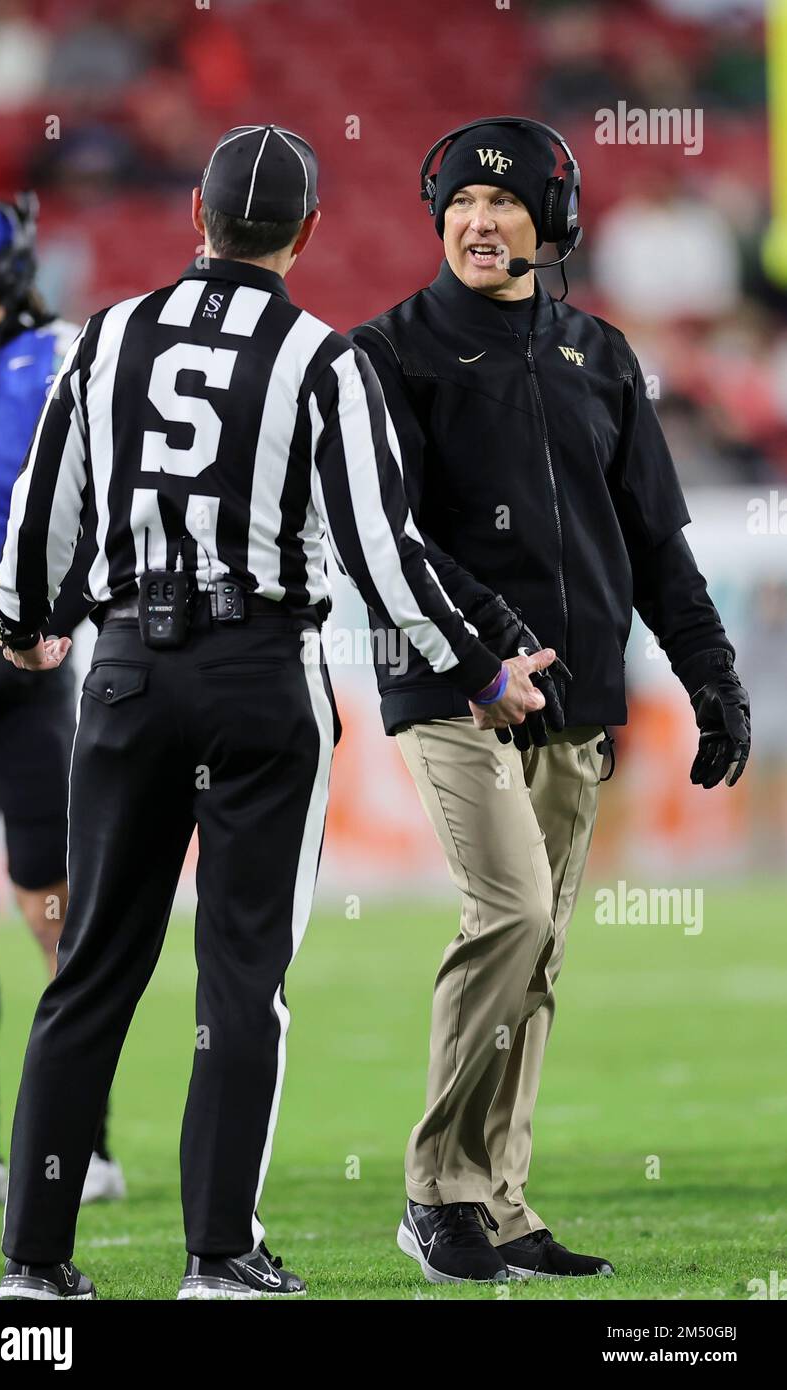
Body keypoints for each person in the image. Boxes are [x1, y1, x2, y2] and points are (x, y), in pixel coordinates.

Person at [0, 124, 551, 1302]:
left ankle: (34, 1265)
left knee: (90, 968)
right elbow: (380, 553)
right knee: (241, 976)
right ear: (303, 235)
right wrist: (480, 671)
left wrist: (23, 619)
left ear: (196, 212)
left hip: (128, 669)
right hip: (258, 676)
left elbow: (44, 508)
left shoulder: (107, 337)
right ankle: (217, 1259)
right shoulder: (319, 359)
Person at [350, 116, 751, 1284]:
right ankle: (434, 1192)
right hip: (454, 690)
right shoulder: (391, 351)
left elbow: (656, 543)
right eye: (462, 206)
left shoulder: (601, 354)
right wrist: (492, 643)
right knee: (512, 913)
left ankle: (499, 1200)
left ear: (551, 222)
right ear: (437, 219)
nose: (479, 222)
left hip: (576, 698)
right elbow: (396, 537)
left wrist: (709, 674)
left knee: (538, 958)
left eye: (506, 204)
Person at [0, 195, 124, 1211]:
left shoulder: (62, 360)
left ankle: (86, 1144)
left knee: (48, 906)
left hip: (27, 679)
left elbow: (109, 496)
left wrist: (63, 609)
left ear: (7, 270)